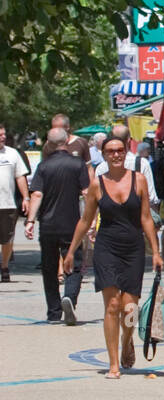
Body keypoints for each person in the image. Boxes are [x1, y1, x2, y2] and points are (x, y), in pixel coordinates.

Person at [64, 134, 162, 378]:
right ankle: (113, 364)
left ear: (125, 152)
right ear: (104, 155)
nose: (116, 155)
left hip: (133, 249)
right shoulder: (97, 184)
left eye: (119, 150)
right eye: (110, 151)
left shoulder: (138, 180)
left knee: (130, 309)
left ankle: (128, 339)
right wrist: (71, 251)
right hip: (106, 248)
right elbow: (86, 220)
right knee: (113, 305)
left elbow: (146, 219)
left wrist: (157, 252)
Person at [24, 128, 90, 323]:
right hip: (72, 224)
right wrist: (91, 219)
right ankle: (69, 296)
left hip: (48, 225)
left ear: (49, 143)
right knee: (75, 265)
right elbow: (86, 192)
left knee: (49, 267)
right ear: (67, 141)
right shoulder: (78, 164)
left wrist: (30, 221)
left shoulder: (43, 166)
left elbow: (36, 194)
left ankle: (53, 312)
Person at [95, 125, 159, 209]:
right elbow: (151, 198)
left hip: (111, 218)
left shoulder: (101, 167)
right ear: (129, 140)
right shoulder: (142, 164)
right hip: (138, 217)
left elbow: (97, 199)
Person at [0, 123, 29, 281]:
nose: (3, 137)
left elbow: (20, 177)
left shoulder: (12, 154)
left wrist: (26, 197)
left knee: (7, 239)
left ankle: (4, 266)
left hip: (8, 203)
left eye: (3, 134)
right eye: (0, 135)